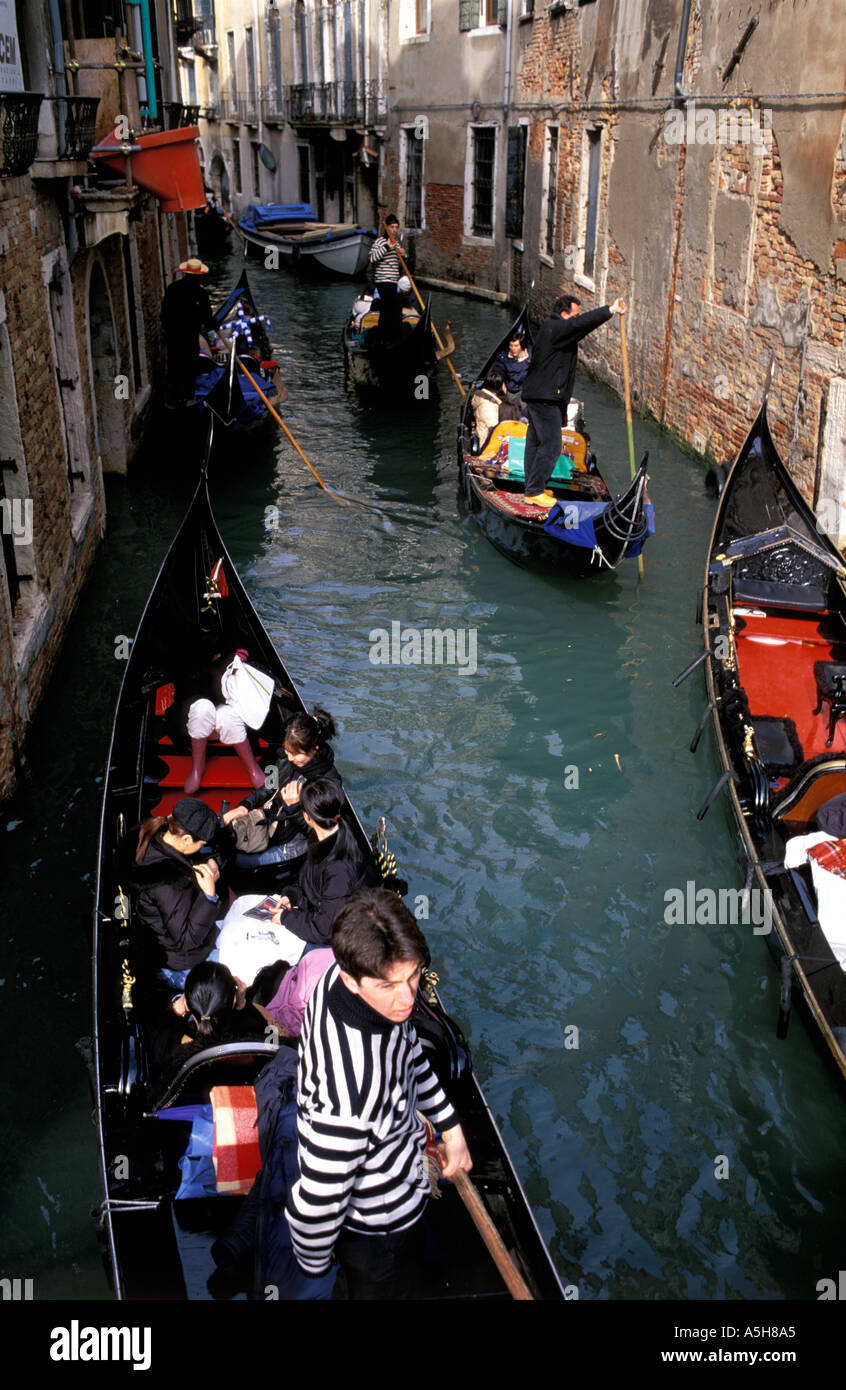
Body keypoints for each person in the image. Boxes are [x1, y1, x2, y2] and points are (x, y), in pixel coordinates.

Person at [286, 888, 472, 1299]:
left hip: (394, 1162)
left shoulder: (341, 979)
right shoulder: (352, 1100)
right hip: (377, 1225)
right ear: (352, 980)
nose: (408, 999)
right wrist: (316, 1264)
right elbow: (316, 1206)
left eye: (414, 976)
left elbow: (409, 1056)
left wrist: (451, 1128)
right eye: (389, 985)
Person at [215, 778, 374, 983]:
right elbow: (307, 882)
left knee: (249, 949)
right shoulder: (323, 837)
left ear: (307, 817)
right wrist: (291, 895)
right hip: (310, 913)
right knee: (243, 908)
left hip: (327, 937)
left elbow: (324, 929)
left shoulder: (339, 867)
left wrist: (285, 919)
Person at [521, 293, 626, 506]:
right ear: (563, 315)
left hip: (538, 396)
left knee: (535, 442)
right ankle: (534, 491)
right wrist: (610, 310)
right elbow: (581, 324)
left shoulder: (552, 330)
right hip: (545, 398)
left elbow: (577, 326)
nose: (576, 319)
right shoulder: (557, 328)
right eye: (574, 315)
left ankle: (531, 488)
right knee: (551, 446)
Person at [224, 706, 340, 870]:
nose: (290, 758)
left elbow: (317, 833)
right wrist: (245, 805)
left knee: (234, 862)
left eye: (295, 754)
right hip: (270, 820)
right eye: (287, 752)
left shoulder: (329, 783)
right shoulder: (286, 758)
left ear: (315, 749)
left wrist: (294, 807)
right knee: (222, 834)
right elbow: (269, 786)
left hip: (293, 843)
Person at [131, 797, 222, 989]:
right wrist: (209, 896)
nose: (202, 846)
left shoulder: (156, 833)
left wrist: (212, 861)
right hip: (182, 960)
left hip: (159, 939)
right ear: (187, 839)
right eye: (201, 843)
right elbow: (186, 941)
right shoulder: (170, 884)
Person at [182, 647, 269, 794]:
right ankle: (197, 768)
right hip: (195, 708)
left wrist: (237, 660)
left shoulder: (226, 654)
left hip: (226, 703)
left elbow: (247, 649)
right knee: (203, 708)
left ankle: (252, 767)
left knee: (227, 716)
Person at [161, 257, 217, 406]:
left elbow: (164, 314)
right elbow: (207, 318)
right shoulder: (201, 294)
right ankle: (187, 397)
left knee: (175, 364)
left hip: (174, 336)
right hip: (189, 336)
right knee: (190, 366)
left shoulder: (173, 288)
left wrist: (169, 331)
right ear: (199, 276)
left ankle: (175, 397)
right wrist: (214, 325)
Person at [369, 214, 404, 346]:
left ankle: (389, 338)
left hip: (393, 281)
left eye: (396, 227)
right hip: (383, 281)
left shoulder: (397, 243)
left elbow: (397, 264)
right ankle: (386, 339)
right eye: (392, 227)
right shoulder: (380, 241)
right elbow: (372, 258)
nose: (394, 230)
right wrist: (387, 247)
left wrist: (403, 256)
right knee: (391, 308)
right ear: (387, 228)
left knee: (392, 309)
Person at [493, 333, 532, 402]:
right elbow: (497, 370)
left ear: (522, 346)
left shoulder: (531, 355)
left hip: (526, 388)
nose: (513, 348)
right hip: (510, 388)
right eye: (511, 345)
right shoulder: (504, 357)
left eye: (516, 346)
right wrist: (502, 382)